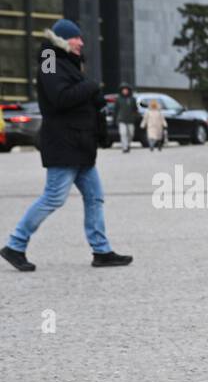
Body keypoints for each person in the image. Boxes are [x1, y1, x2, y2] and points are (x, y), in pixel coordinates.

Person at [1, 19, 132, 273]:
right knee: (53, 198)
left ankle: (102, 252)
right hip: (64, 144)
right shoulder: (49, 58)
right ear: (62, 39)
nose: (81, 43)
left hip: (80, 145)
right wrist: (90, 87)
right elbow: (59, 98)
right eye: (76, 38)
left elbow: (78, 97)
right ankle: (15, 245)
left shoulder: (69, 62)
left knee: (94, 197)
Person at [115, 83, 139, 153]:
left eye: (126, 90)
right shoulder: (118, 99)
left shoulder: (132, 99)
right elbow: (116, 110)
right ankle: (124, 147)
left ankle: (128, 144)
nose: (125, 91)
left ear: (128, 90)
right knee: (123, 133)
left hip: (130, 120)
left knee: (131, 134)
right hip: (121, 119)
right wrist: (115, 119)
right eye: (123, 90)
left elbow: (135, 109)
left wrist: (135, 117)